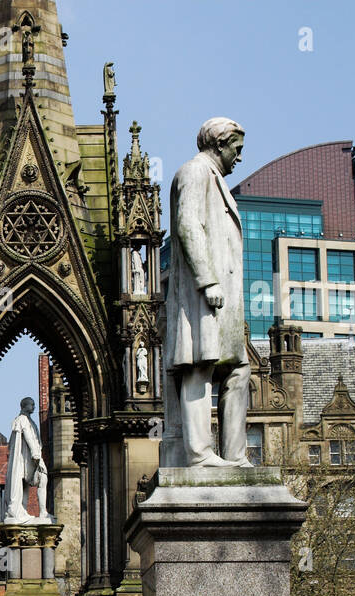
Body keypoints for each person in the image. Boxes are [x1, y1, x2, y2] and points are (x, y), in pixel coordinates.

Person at [161, 117, 251, 469]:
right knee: (199, 367)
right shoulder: (194, 172)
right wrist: (208, 281)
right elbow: (187, 225)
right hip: (203, 295)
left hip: (222, 301)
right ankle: (199, 455)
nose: (240, 158)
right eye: (237, 149)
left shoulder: (215, 180)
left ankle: (235, 455)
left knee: (239, 370)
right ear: (219, 144)